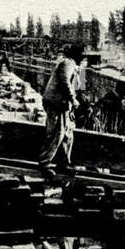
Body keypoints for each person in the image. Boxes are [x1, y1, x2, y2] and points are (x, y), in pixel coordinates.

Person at [37, 43, 82, 177]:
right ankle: (44, 163)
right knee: (57, 133)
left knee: (68, 134)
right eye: (82, 57)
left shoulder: (76, 67)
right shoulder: (66, 63)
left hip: (63, 105)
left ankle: (64, 163)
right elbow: (64, 82)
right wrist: (73, 99)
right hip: (56, 103)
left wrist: (73, 106)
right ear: (76, 56)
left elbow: (78, 87)